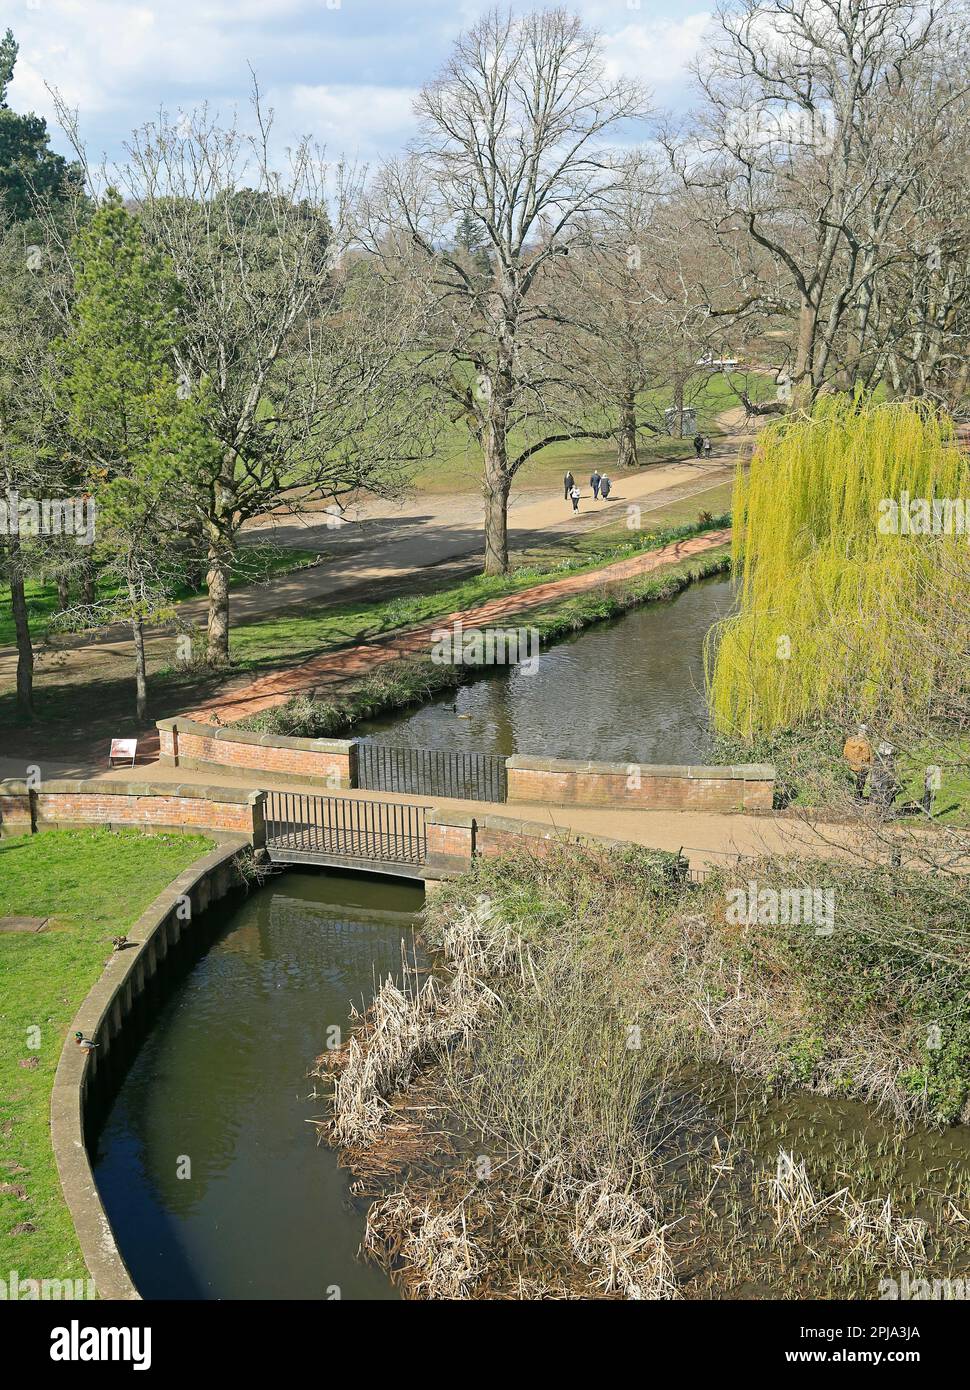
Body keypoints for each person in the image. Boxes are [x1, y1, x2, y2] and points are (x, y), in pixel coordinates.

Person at [843, 723, 873, 797]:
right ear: (865, 732)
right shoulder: (864, 743)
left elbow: (845, 753)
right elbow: (866, 756)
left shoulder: (849, 740)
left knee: (852, 783)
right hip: (861, 767)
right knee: (860, 783)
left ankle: (851, 796)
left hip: (851, 765)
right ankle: (858, 798)